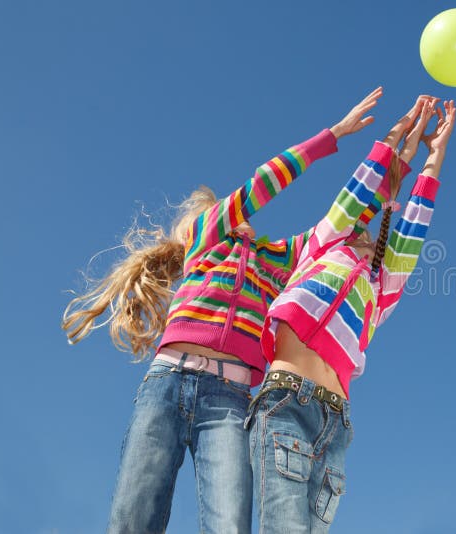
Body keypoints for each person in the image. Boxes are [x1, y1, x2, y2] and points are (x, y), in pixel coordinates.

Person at [61, 87, 385, 534]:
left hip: (230, 400)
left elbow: (337, 224)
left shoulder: (279, 260)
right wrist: (332, 135)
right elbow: (260, 186)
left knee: (230, 525)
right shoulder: (206, 238)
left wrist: (392, 160)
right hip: (166, 382)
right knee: (133, 518)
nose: (233, 211)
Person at [246, 97, 456, 532]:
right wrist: (404, 133)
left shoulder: (382, 291)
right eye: (360, 222)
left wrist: (436, 156)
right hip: (286, 403)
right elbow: (368, 184)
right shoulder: (322, 246)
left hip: (337, 425)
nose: (365, 228)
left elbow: (414, 224)